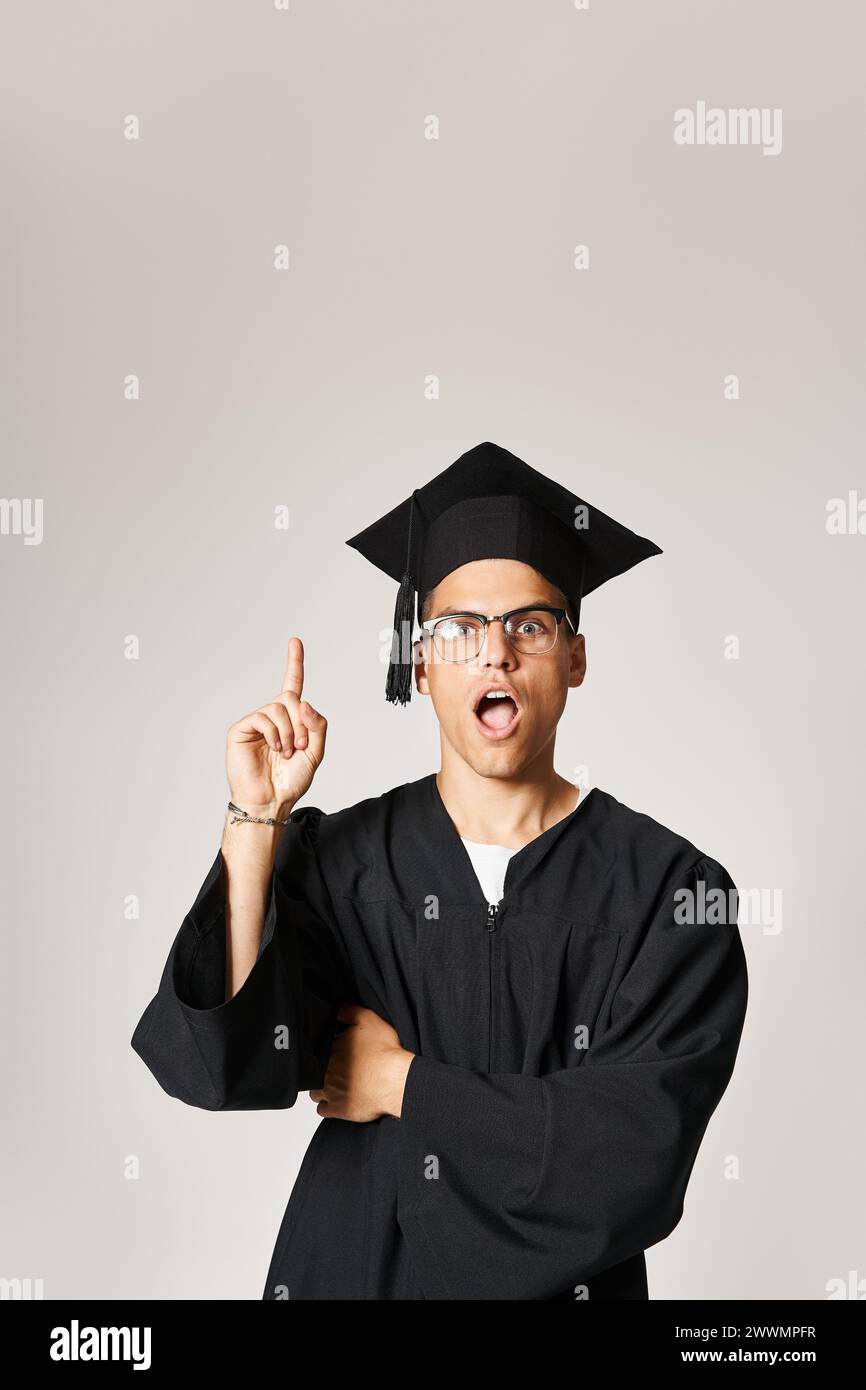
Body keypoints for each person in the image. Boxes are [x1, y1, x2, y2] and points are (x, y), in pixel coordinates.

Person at [130, 440, 749, 1300]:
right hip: (352, 1273)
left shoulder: (670, 893)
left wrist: (398, 1082)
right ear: (420, 664)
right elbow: (219, 1066)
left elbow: (631, 1156)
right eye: (459, 631)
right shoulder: (341, 861)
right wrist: (256, 822)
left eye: (529, 626)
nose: (494, 655)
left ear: (574, 658)